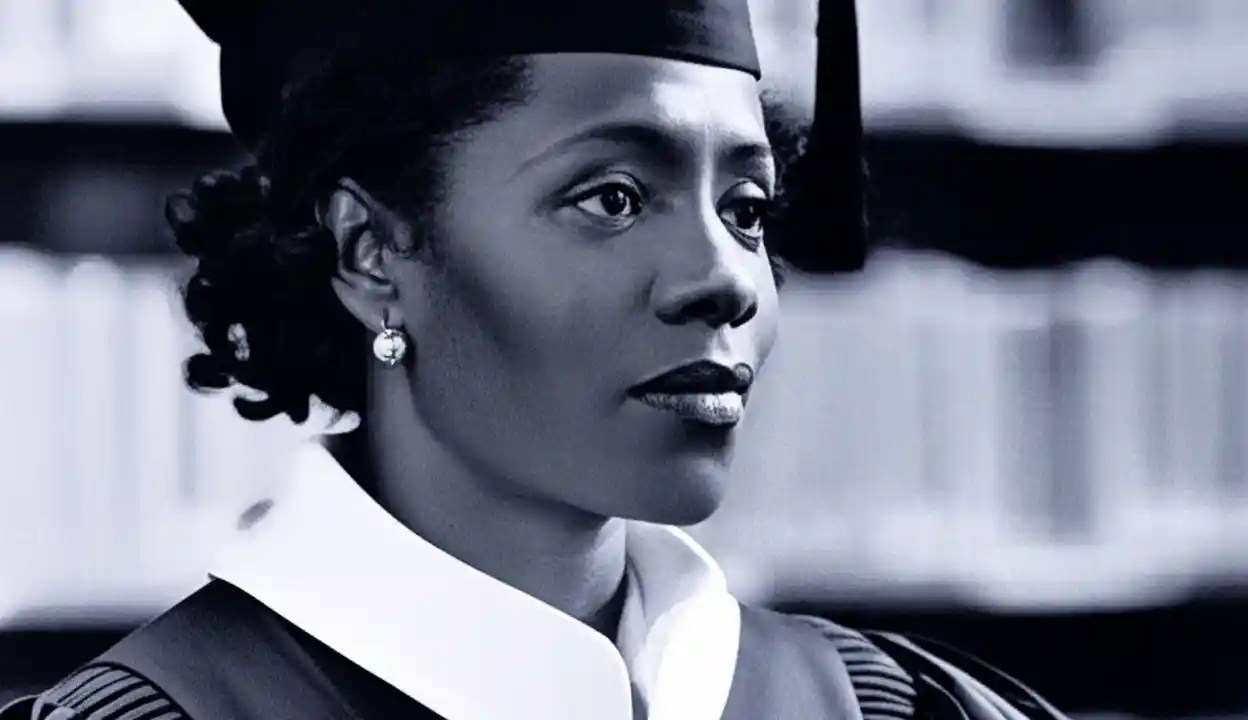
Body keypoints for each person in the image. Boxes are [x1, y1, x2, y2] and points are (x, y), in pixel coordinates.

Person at [2, 0, 1068, 718]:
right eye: (611, 199)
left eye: (746, 210)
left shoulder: (879, 706)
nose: (729, 280)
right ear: (371, 253)